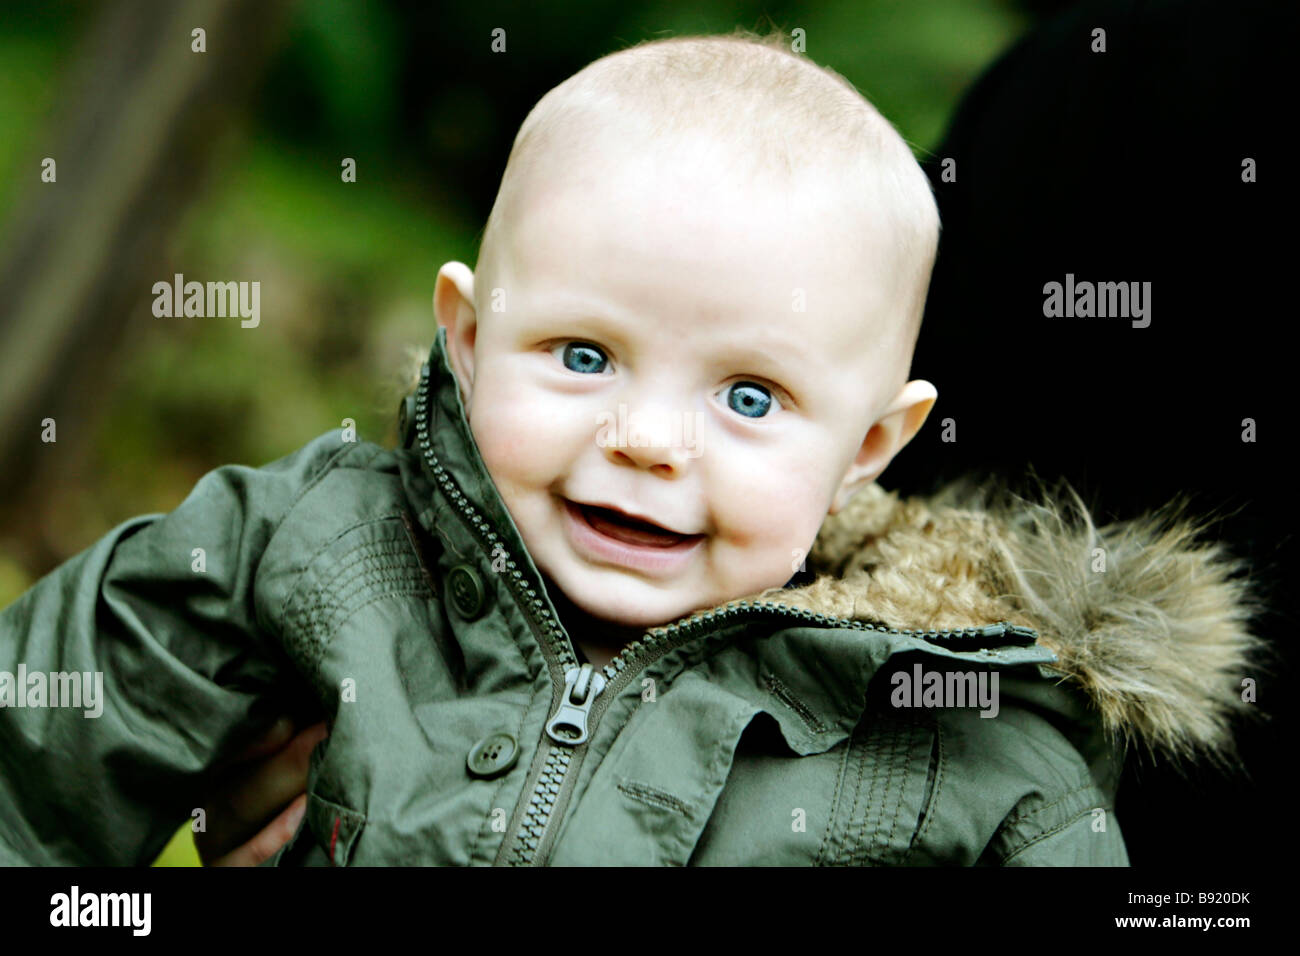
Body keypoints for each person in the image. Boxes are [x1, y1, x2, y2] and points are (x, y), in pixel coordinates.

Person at [0, 29, 1264, 867]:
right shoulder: (314, 542)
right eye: (586, 356)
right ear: (471, 335)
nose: (649, 443)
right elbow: (38, 756)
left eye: (752, 399)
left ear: (873, 445)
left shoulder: (958, 743)